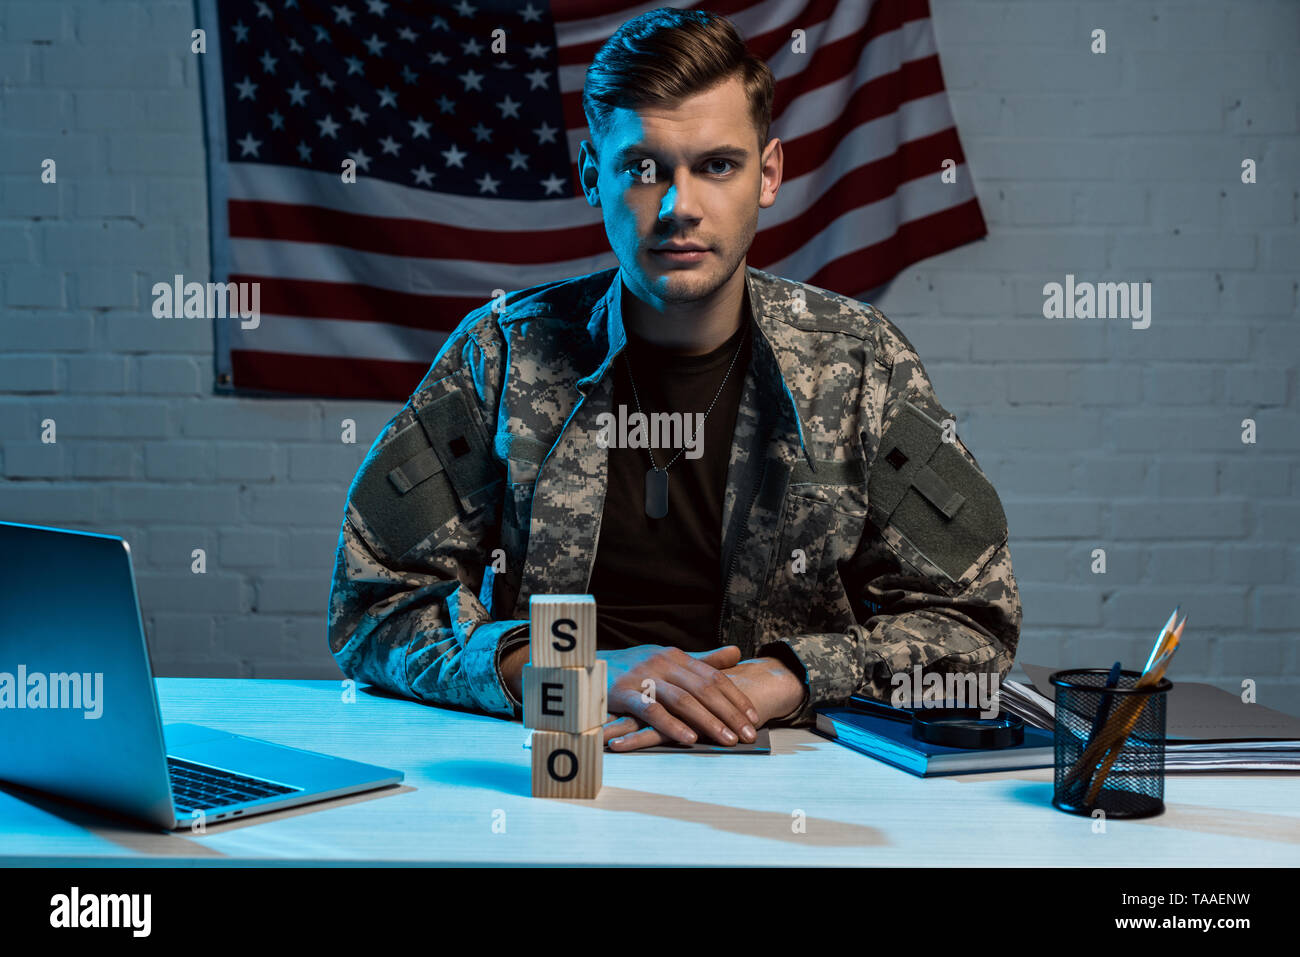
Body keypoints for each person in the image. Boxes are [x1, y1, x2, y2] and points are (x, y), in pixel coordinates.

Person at [327, 8, 1021, 752]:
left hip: (791, 780)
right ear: (594, 177)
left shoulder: (858, 366)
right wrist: (574, 669)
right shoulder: (504, 355)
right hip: (563, 763)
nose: (678, 206)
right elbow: (374, 603)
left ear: (769, 174)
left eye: (717, 165)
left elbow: (973, 620)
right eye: (643, 168)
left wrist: (783, 676)